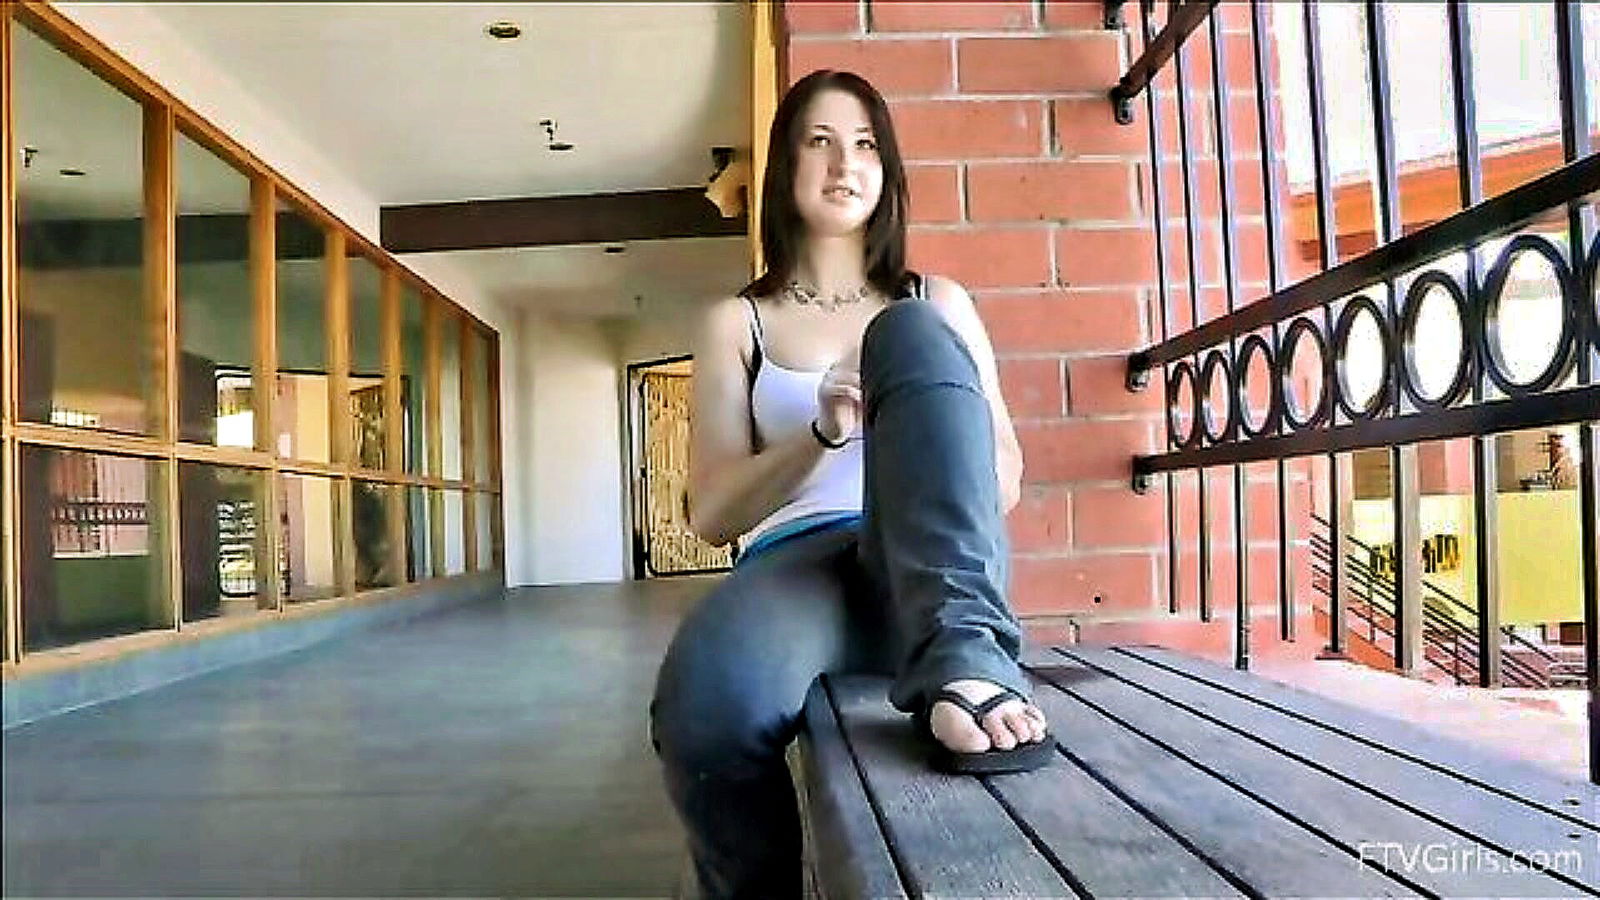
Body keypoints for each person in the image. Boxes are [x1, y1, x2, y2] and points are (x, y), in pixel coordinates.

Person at [648, 69, 1052, 898]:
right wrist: (823, 432)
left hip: (928, 566)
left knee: (910, 330)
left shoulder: (936, 301)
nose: (845, 163)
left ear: (887, 169)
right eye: (820, 142)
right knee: (703, 707)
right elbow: (713, 515)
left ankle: (970, 659)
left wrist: (916, 424)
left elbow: (1004, 476)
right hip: (795, 574)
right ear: (785, 167)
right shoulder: (736, 322)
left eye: (866, 144)